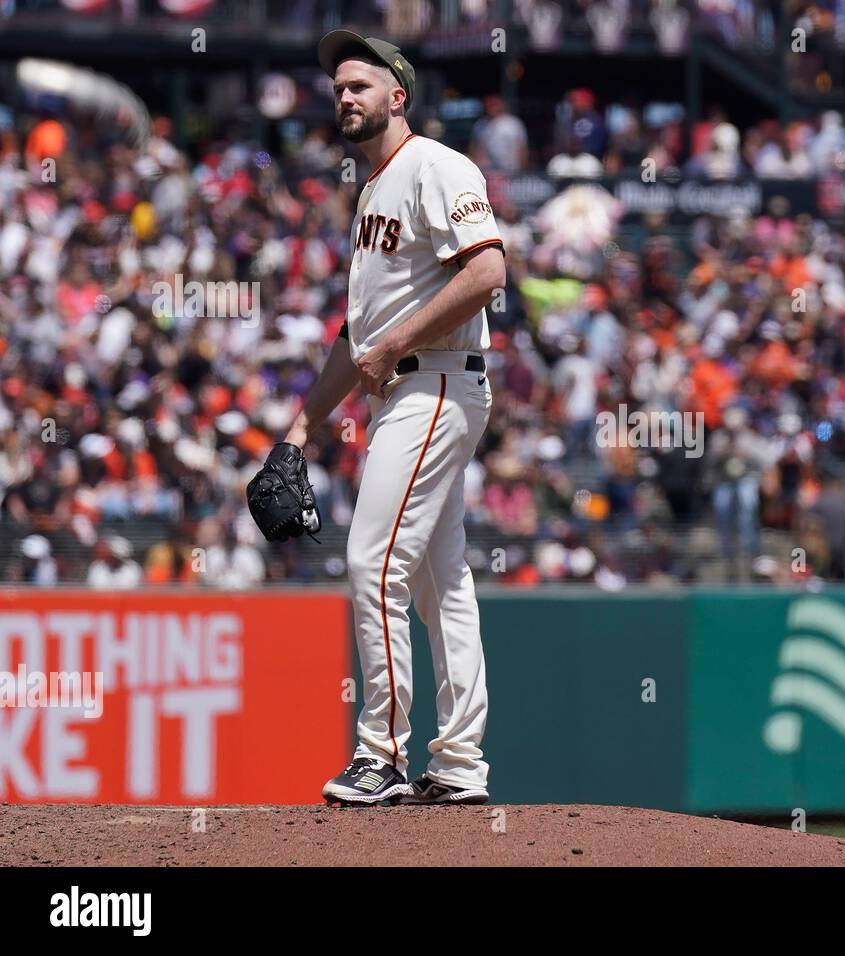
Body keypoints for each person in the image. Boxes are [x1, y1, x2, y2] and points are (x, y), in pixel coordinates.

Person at [281, 30, 505, 806]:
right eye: (338, 87)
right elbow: (357, 337)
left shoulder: (436, 166)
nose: (345, 96)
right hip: (409, 384)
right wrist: (300, 427)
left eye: (360, 84)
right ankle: (461, 765)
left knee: (374, 560)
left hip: (436, 382)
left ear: (397, 95)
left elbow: (488, 270)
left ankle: (380, 751)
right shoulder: (374, 188)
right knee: (443, 584)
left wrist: (397, 344)